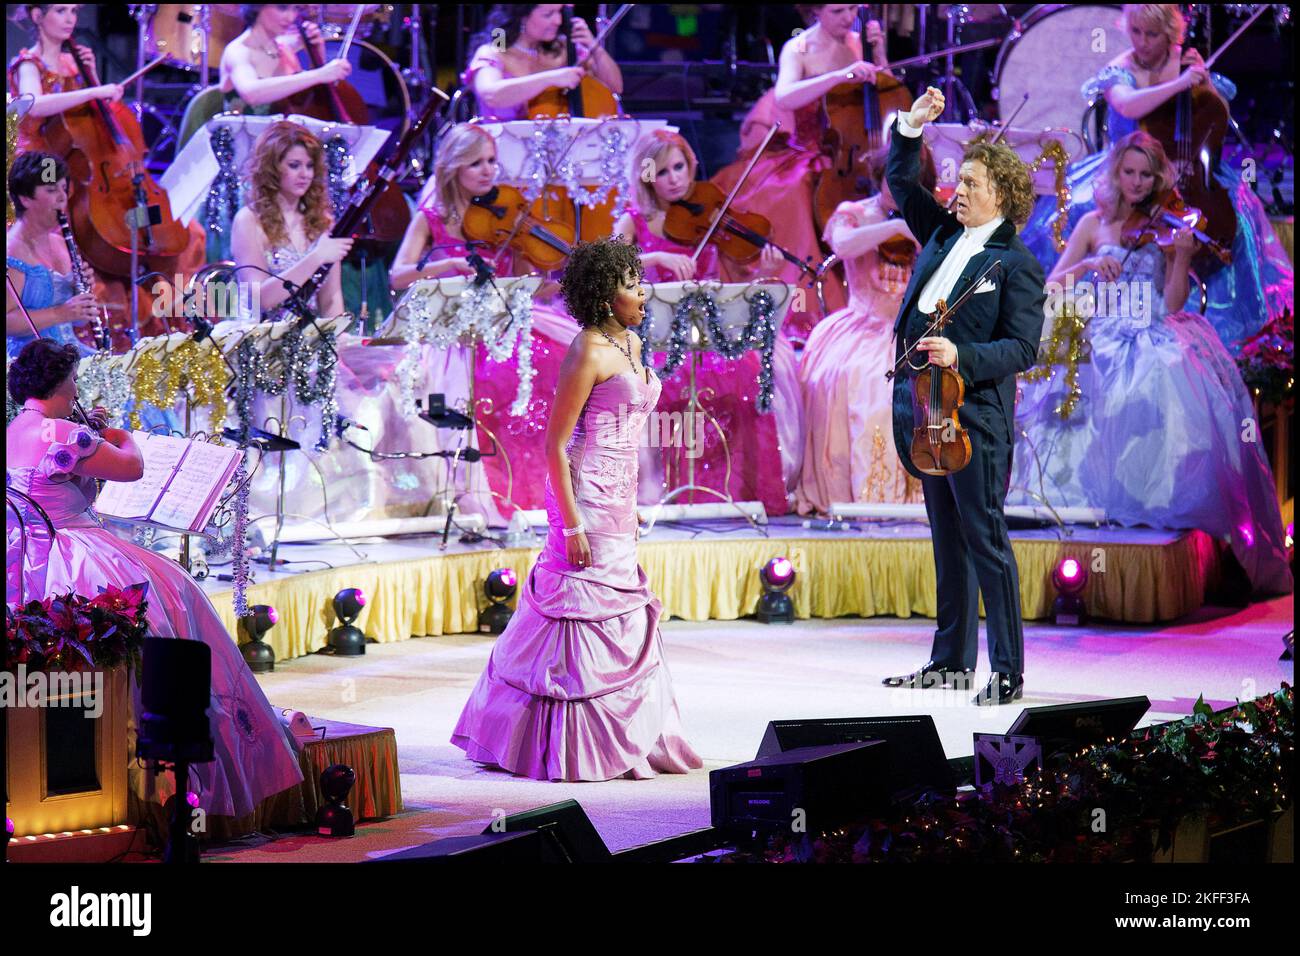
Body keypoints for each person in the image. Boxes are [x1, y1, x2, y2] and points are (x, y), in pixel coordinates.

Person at [5, 339, 304, 830]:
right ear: (61, 385)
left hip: (24, 555)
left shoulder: (15, 428)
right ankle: (166, 787)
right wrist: (117, 433)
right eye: (74, 381)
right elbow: (132, 467)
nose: (76, 388)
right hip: (76, 548)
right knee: (173, 594)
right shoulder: (65, 432)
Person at [451, 238, 703, 780]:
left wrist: (630, 503)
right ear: (603, 296)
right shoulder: (587, 349)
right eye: (632, 284)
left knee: (621, 610)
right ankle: (561, 746)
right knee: (574, 612)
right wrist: (571, 524)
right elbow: (556, 446)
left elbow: (626, 430)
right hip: (584, 495)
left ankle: (631, 743)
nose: (644, 291)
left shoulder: (633, 344)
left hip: (620, 497)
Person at [1008, 132, 1292, 596]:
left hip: (1152, 321)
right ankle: (1077, 509)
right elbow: (1053, 283)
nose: (1138, 183)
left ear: (1157, 177)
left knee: (1161, 377)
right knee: (1080, 374)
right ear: (1116, 174)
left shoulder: (1169, 225)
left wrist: (1181, 256)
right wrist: (1090, 264)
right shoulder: (1092, 225)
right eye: (1129, 173)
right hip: (1099, 324)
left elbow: (1174, 301)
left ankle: (1150, 504)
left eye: (1146, 175)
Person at [881, 87, 1045, 706]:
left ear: (1000, 195)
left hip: (974, 417)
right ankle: (950, 660)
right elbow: (903, 184)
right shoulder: (946, 235)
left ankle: (1007, 671)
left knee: (987, 541)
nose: (958, 189)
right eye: (960, 179)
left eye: (971, 182)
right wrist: (911, 128)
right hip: (928, 411)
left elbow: (1022, 349)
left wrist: (963, 356)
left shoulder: (1016, 265)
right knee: (947, 538)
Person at [1019, 3, 1292, 350]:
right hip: (1125, 168)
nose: (1143, 42)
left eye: (1153, 34)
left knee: (1232, 215)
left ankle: (1221, 334)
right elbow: (1129, 105)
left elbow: (1217, 116)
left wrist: (1202, 84)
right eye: (1136, 32)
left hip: (1179, 167)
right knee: (1076, 212)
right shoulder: (1121, 66)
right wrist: (1178, 84)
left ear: (1171, 33)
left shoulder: (1186, 61)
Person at [391, 122, 583, 515]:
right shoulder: (431, 218)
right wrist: (445, 264)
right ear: (453, 168)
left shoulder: (507, 217)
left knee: (561, 361)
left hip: (503, 323)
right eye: (476, 163)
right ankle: (485, 490)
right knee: (487, 381)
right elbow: (398, 275)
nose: (488, 170)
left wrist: (542, 280)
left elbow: (530, 286)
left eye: (492, 161)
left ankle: (541, 486)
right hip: (451, 330)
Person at [614, 129, 798, 513]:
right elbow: (608, 270)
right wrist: (656, 260)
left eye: (679, 166)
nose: (675, 178)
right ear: (646, 176)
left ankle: (735, 488)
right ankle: (663, 488)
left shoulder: (711, 217)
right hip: (654, 337)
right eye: (663, 172)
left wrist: (764, 269)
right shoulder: (633, 223)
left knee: (753, 374)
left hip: (713, 333)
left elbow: (738, 284)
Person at [710, 4, 891, 340]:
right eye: (838, 10)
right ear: (816, 11)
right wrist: (837, 76)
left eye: (853, 8)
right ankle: (803, 307)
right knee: (795, 193)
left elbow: (887, 90)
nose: (848, 17)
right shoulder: (799, 47)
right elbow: (785, 95)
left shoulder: (859, 41)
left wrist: (879, 55)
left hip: (854, 152)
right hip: (809, 151)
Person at [795, 142, 931, 513]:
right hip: (861, 329)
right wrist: (894, 226)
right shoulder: (853, 212)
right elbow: (842, 245)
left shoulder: (928, 215)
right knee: (861, 379)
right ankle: (858, 497)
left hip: (911, 329)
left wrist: (918, 228)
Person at [231, 120, 352, 321]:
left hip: (308, 341)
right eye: (294, 165)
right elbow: (261, 299)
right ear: (272, 168)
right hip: (261, 340)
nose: (305, 174)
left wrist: (336, 340)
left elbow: (331, 299)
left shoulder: (322, 221)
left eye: (310, 166)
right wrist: (316, 257)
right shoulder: (248, 220)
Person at [6, 151, 98, 359]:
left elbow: (78, 321)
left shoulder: (60, 243)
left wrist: (79, 293)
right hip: (31, 367)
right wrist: (62, 313)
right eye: (51, 190)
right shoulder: (12, 251)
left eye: (64, 189)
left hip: (67, 357)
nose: (62, 198)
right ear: (25, 198)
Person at [464, 4, 623, 121]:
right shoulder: (494, 52)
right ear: (522, 17)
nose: (558, 21)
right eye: (548, 14)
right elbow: (491, 94)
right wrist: (552, 78)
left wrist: (594, 47)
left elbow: (615, 87)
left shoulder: (564, 48)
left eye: (559, 12)